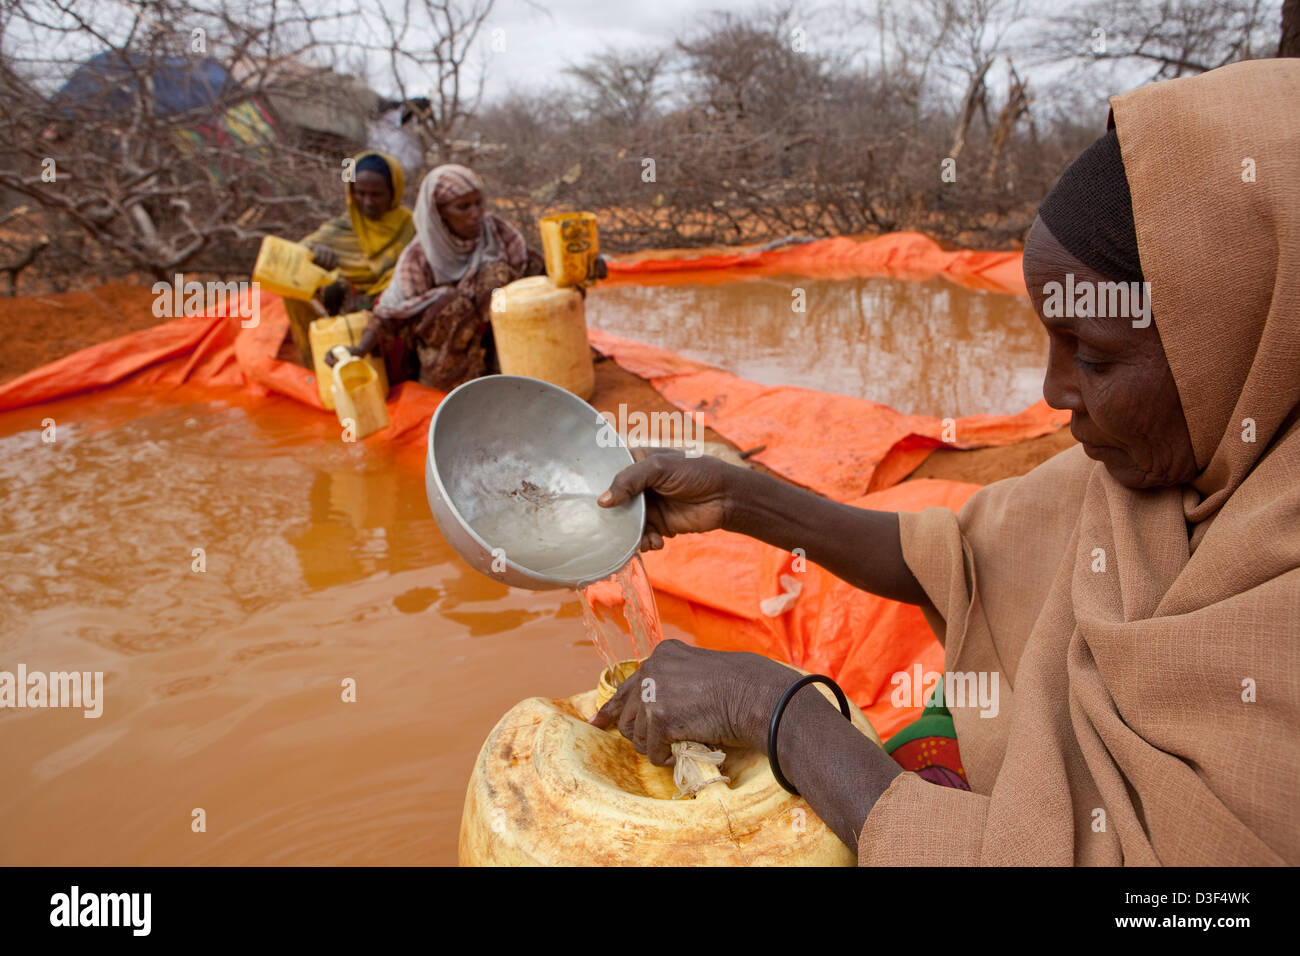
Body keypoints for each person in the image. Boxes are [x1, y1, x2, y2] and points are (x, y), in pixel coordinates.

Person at [592, 58, 1300, 866]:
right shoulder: (1172, 464)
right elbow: (962, 557)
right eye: (1048, 340)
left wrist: (775, 711)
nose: (1053, 390)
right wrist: (738, 499)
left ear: (1247, 341)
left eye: (1094, 358)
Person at [327, 163, 543, 392]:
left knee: (497, 278)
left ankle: (504, 364)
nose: (476, 214)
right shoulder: (419, 256)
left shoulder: (499, 233)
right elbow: (388, 314)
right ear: (440, 213)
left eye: (479, 202)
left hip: (497, 335)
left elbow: (534, 270)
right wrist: (359, 349)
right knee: (451, 303)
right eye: (463, 207)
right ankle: (462, 385)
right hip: (445, 349)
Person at [283, 150, 415, 363]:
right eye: (360, 193)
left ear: (394, 192)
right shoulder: (341, 228)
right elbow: (291, 257)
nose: (368, 202)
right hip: (346, 318)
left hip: (393, 313)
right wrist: (315, 253)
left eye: (377, 194)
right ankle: (319, 358)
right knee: (327, 286)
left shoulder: (411, 227)